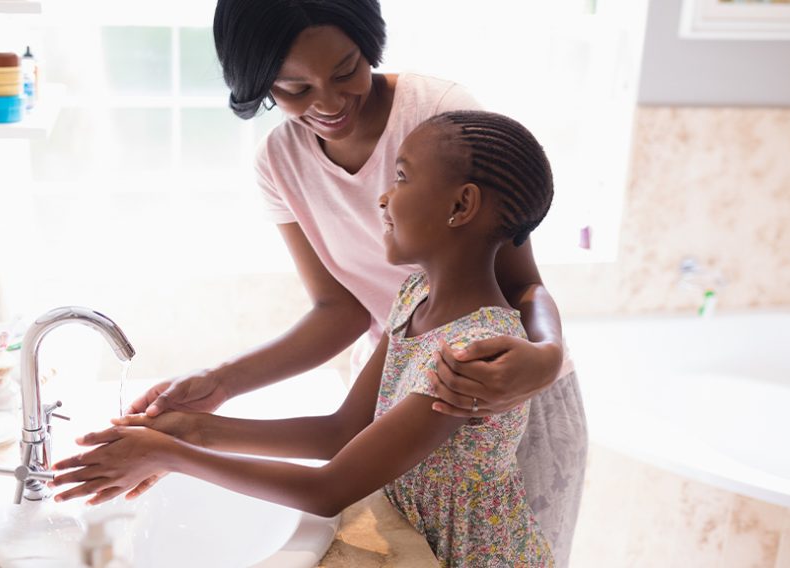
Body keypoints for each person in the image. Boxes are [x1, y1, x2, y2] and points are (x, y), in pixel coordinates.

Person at [128, 1, 587, 564]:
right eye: (294, 87)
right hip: (398, 387)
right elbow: (339, 310)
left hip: (505, 385)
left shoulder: (439, 121)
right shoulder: (285, 166)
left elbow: (522, 283)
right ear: (261, 81)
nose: (328, 102)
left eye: (346, 70)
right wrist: (215, 394)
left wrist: (543, 353)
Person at [52, 110, 558, 567]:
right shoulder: (415, 297)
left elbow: (329, 488)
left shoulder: (471, 355)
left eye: (401, 177)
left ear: (461, 204)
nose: (383, 197)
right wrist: (195, 429)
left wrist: (169, 455)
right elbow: (344, 431)